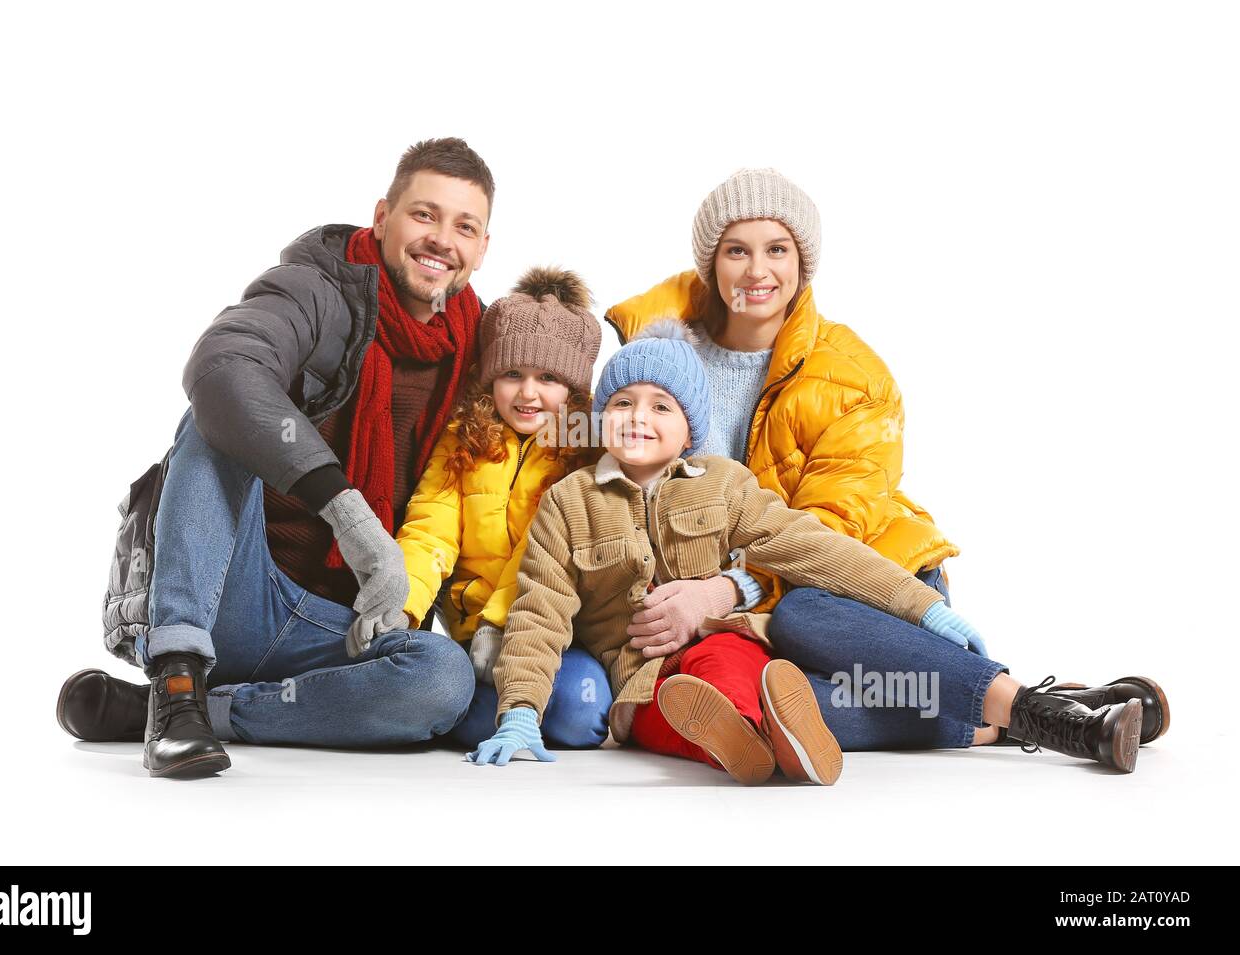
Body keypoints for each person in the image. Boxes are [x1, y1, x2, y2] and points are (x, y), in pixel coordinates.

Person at [602, 168, 1169, 758]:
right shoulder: (653, 360)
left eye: (777, 249)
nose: (756, 271)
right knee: (753, 700)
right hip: (745, 622)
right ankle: (1005, 715)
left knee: (801, 616)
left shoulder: (852, 374)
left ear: (803, 262)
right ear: (709, 262)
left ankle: (1036, 712)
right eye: (736, 251)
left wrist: (725, 588)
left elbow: (833, 526)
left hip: (854, 587)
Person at [467, 321, 1149, 782]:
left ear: (690, 431)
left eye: (661, 406)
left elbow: (815, 548)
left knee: (753, 669)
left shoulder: (727, 486)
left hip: (729, 646)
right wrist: (520, 707)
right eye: (621, 401)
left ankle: (775, 733)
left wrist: (920, 607)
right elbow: (540, 611)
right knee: (680, 704)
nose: (638, 415)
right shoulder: (568, 501)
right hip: (642, 679)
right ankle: (761, 738)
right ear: (598, 416)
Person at [56, 138, 496, 778]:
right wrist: (349, 516)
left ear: (483, 248)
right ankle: (177, 677)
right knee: (219, 412)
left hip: (345, 631)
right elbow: (223, 364)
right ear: (381, 218)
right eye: (423, 215)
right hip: (236, 590)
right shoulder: (314, 291)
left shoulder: (474, 344)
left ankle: (192, 711)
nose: (441, 240)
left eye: (465, 226)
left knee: (440, 680)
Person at [393, 266, 613, 750]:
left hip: (551, 635)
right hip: (470, 638)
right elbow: (431, 527)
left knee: (583, 715)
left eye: (548, 378)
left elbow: (548, 553)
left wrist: (502, 622)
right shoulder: (462, 440)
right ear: (491, 377)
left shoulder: (584, 454)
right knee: (455, 716)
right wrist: (402, 604)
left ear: (574, 389)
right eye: (512, 374)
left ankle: (528, 706)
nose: (528, 392)